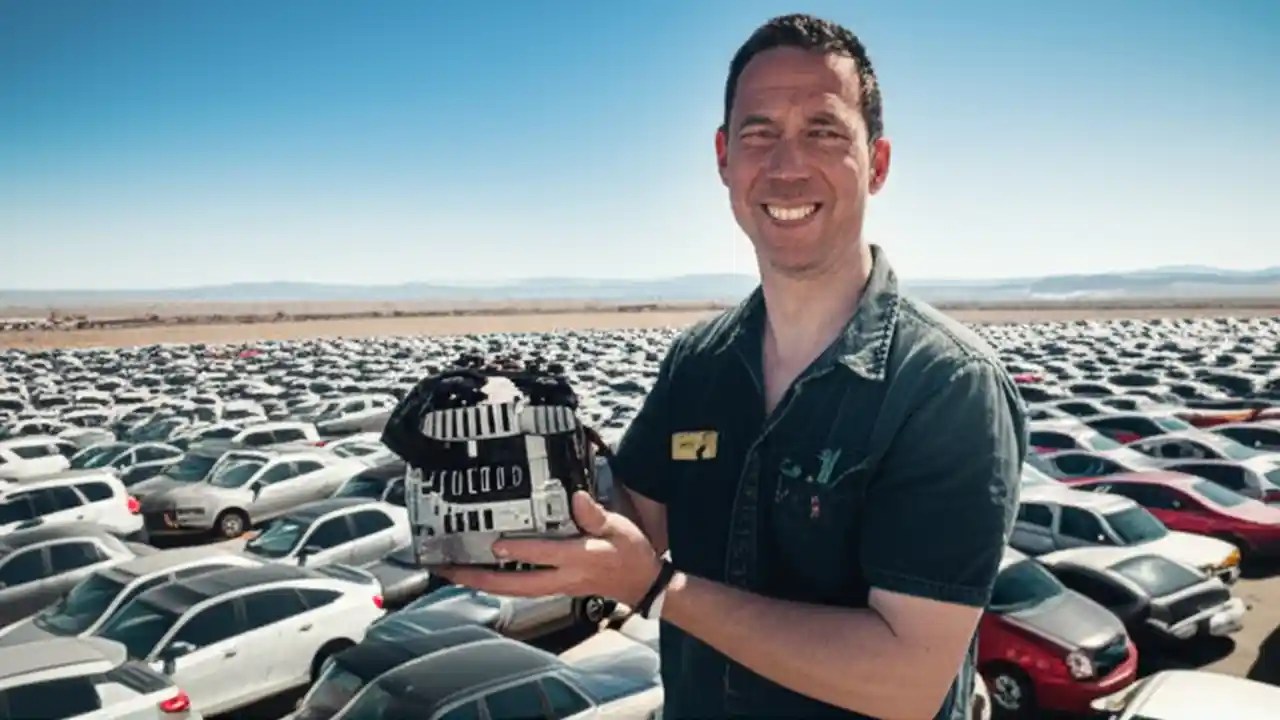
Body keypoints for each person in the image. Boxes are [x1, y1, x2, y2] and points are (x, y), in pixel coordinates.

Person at [437, 12, 1027, 720]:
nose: (786, 165)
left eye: (823, 131)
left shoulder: (947, 387)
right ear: (723, 157)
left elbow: (906, 680)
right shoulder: (700, 364)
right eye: (759, 134)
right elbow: (631, 524)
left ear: (877, 164)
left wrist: (657, 590)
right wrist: (507, 484)